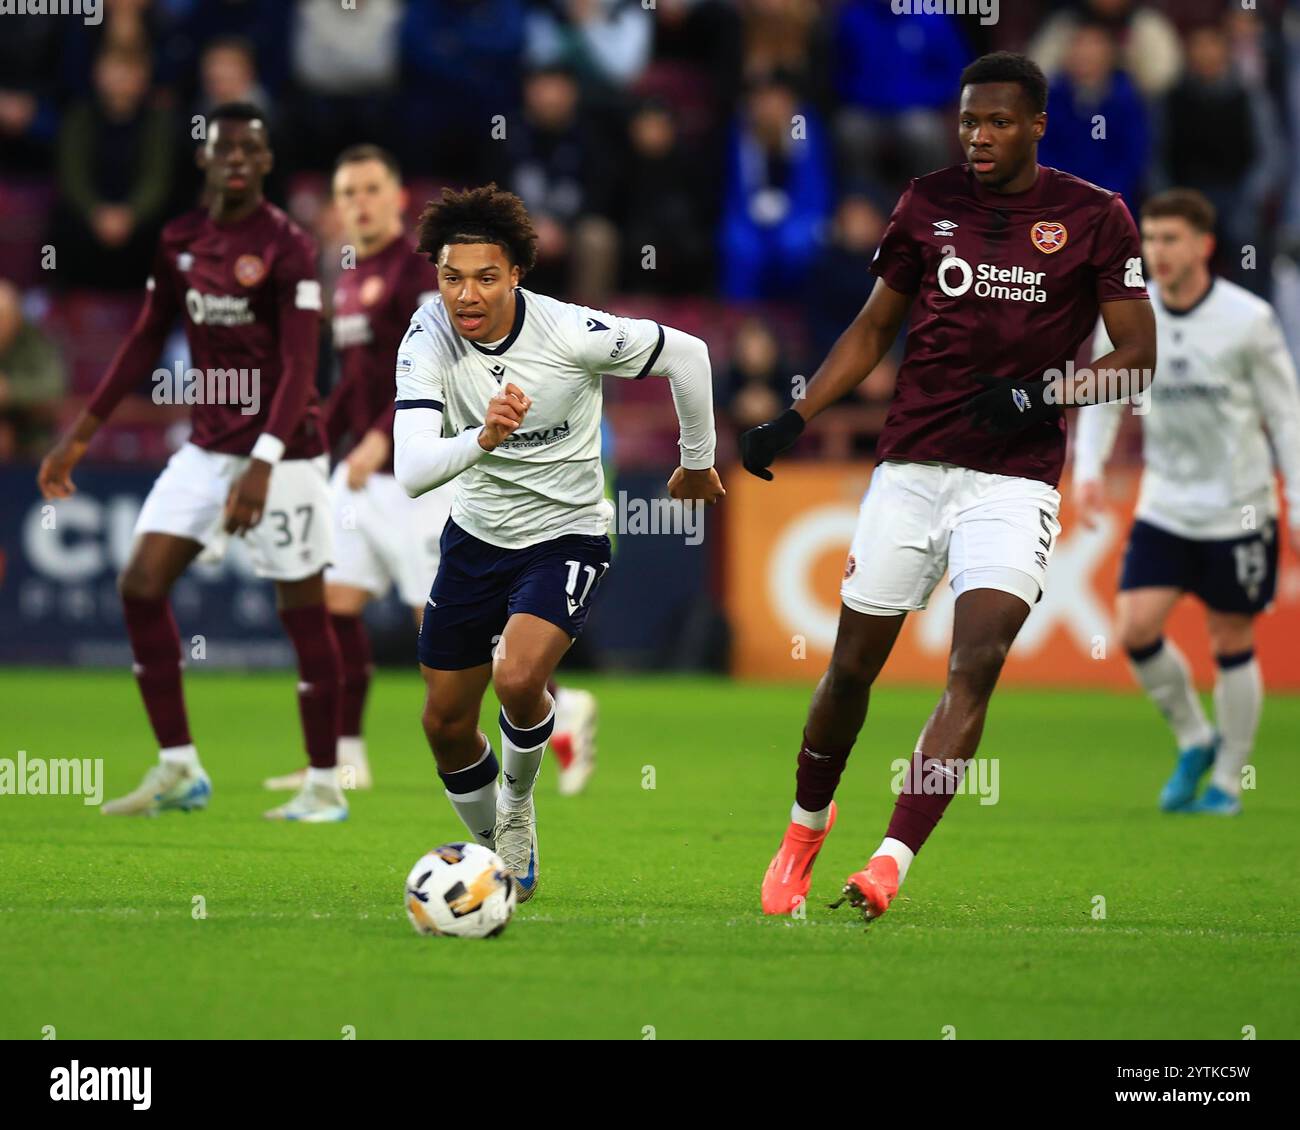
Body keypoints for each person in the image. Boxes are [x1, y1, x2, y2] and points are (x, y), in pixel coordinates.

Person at [740, 52, 1157, 923]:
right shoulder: (926, 203)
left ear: (1038, 124)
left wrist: (1044, 393)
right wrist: (798, 413)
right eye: (969, 121)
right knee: (852, 669)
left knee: (978, 663)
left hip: (1016, 479)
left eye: (999, 122)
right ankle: (804, 829)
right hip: (914, 467)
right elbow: (874, 326)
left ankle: (890, 861)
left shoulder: (1095, 217)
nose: (979, 136)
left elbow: (1136, 360)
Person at [393, 183, 723, 901]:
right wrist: (483, 437)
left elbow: (689, 355)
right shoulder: (427, 336)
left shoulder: (570, 332)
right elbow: (413, 470)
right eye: (452, 277)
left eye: (485, 276)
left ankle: (515, 810)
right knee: (445, 724)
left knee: (517, 678)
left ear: (516, 273)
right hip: (475, 539)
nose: (466, 295)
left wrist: (697, 459)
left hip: (567, 534)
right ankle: (491, 858)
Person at [37, 103, 347, 824]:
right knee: (140, 583)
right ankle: (179, 768)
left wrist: (265, 465)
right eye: (224, 148)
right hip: (208, 449)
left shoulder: (287, 246)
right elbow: (147, 339)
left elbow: (303, 364)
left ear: (267, 163)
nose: (237, 159)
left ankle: (326, 785)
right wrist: (80, 434)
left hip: (288, 452)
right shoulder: (179, 237)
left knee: (302, 610)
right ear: (203, 159)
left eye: (251, 149)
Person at [1074, 188, 1300, 816]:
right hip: (1165, 503)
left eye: (1171, 239)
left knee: (1231, 637)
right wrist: (1088, 469)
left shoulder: (1248, 320)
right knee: (1134, 627)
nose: (1157, 252)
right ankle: (1196, 740)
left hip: (1240, 506)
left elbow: (1286, 416)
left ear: (1204, 245)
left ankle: (1228, 782)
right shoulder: (1126, 311)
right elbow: (1104, 396)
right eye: (1149, 239)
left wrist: (1298, 499)